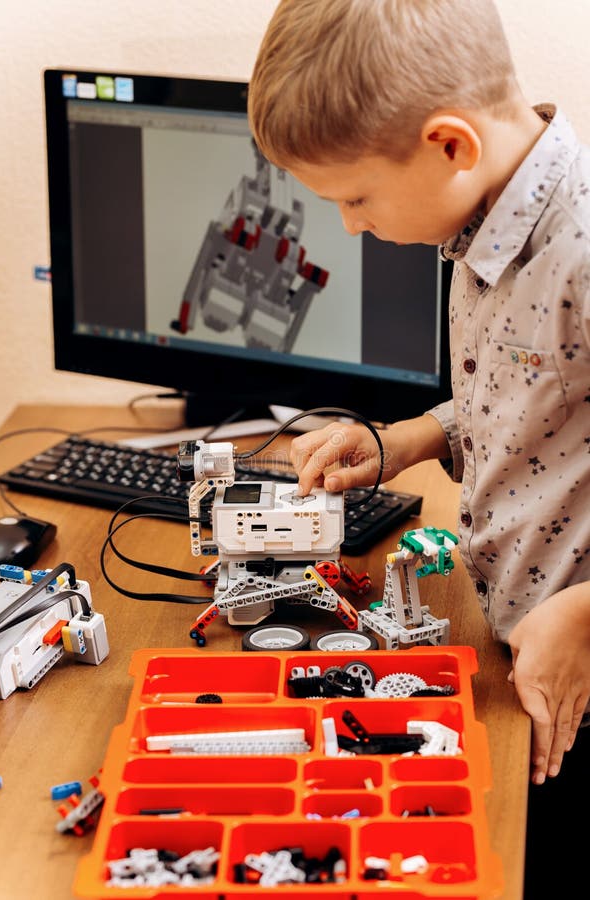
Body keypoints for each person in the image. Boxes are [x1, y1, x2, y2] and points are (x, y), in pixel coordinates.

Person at [248, 0, 590, 894]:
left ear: (449, 143)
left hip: (574, 670)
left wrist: (588, 612)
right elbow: (535, 394)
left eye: (353, 198)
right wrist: (403, 440)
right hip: (509, 633)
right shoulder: (481, 218)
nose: (351, 228)